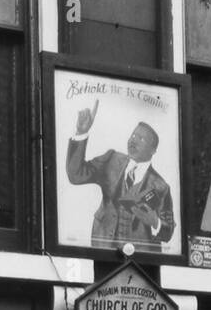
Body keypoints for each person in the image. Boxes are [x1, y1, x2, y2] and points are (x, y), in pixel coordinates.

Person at [66, 103, 176, 250]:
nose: (133, 141)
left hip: (141, 259)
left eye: (142, 139)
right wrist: (81, 133)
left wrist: (155, 222)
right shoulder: (111, 159)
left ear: (153, 150)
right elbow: (76, 175)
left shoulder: (161, 186)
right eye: (134, 135)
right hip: (103, 249)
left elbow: (168, 233)